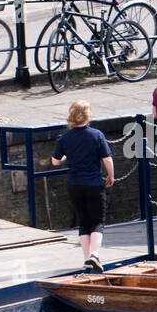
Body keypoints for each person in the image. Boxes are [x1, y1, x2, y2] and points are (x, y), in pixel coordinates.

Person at [50, 101, 114, 273]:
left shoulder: (64, 138)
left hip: (74, 185)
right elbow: (107, 159)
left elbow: (55, 161)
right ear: (88, 116)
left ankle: (87, 260)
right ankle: (94, 255)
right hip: (93, 183)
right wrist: (111, 176)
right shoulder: (96, 135)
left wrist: (65, 156)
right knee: (97, 222)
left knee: (83, 222)